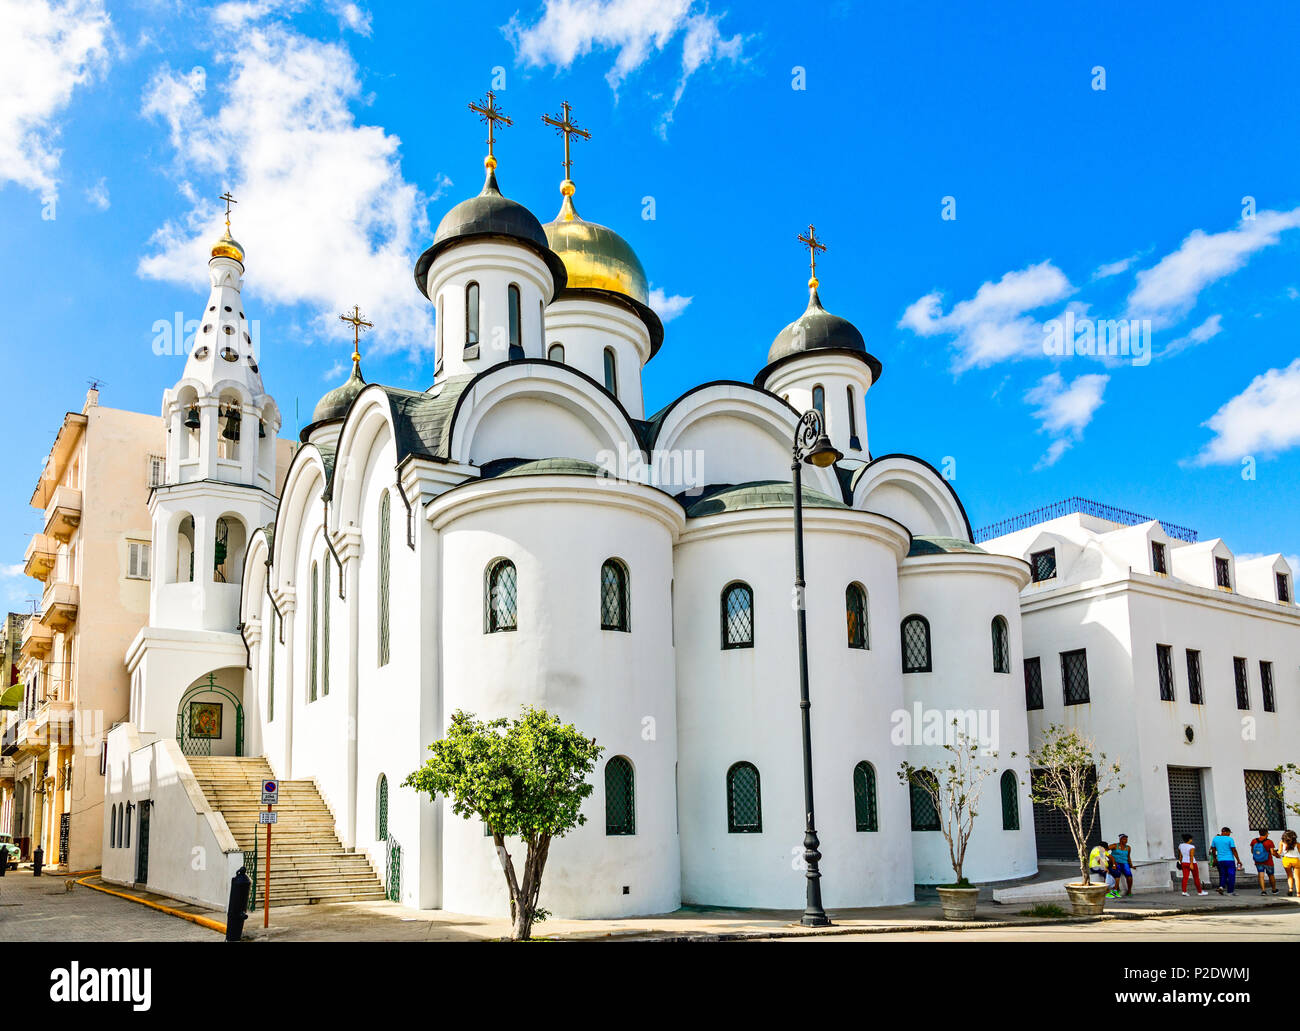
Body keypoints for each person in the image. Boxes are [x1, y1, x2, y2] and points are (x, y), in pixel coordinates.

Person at [1209, 826, 1242, 895]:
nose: (1229, 834)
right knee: (1231, 875)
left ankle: (1221, 886)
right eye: (1229, 832)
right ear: (1226, 832)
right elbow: (1234, 850)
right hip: (1229, 860)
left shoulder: (1215, 839)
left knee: (1223, 874)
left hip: (1220, 860)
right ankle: (1230, 891)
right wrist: (1238, 860)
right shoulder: (1230, 839)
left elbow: (1213, 850)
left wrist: (1215, 858)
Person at [1249, 829, 1279, 895]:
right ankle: (1274, 890)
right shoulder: (1269, 842)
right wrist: (1277, 855)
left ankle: (1263, 891)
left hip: (1258, 861)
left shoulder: (1254, 841)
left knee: (1261, 875)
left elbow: (1252, 851)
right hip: (1268, 861)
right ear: (1266, 834)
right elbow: (1272, 852)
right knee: (1271, 875)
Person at [1278, 830, 1300, 897]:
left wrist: (1275, 853)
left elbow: (1279, 852)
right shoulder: (1297, 844)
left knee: (1289, 876)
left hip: (1286, 860)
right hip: (1295, 860)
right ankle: (1298, 893)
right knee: (1297, 877)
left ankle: (1290, 889)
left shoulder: (1282, 843)